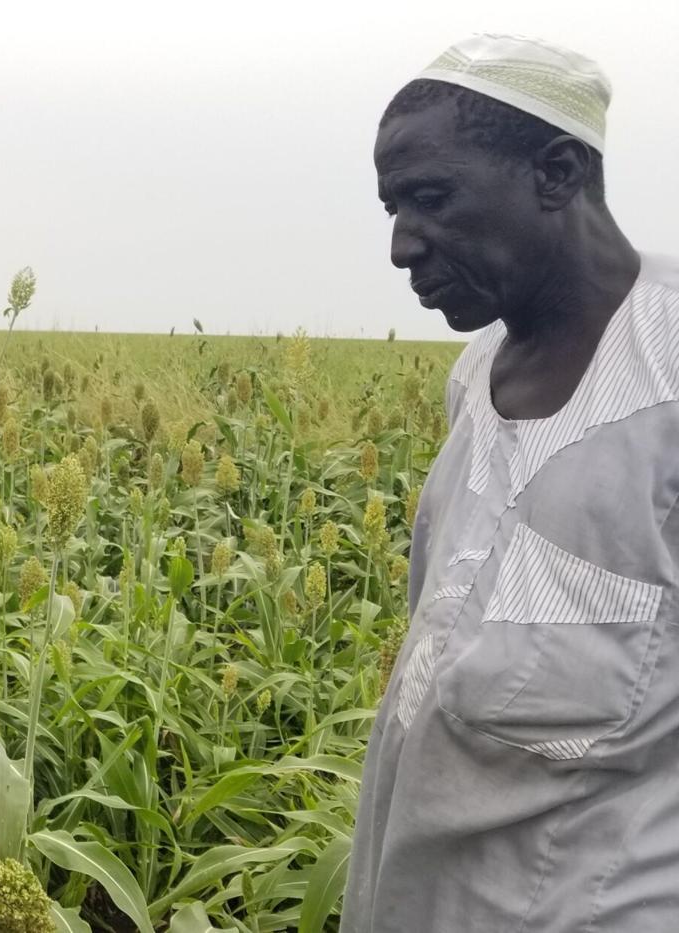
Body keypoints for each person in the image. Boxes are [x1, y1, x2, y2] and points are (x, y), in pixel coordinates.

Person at [349, 34, 679, 930]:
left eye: (430, 198)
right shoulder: (477, 374)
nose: (400, 245)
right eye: (391, 207)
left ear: (556, 173)